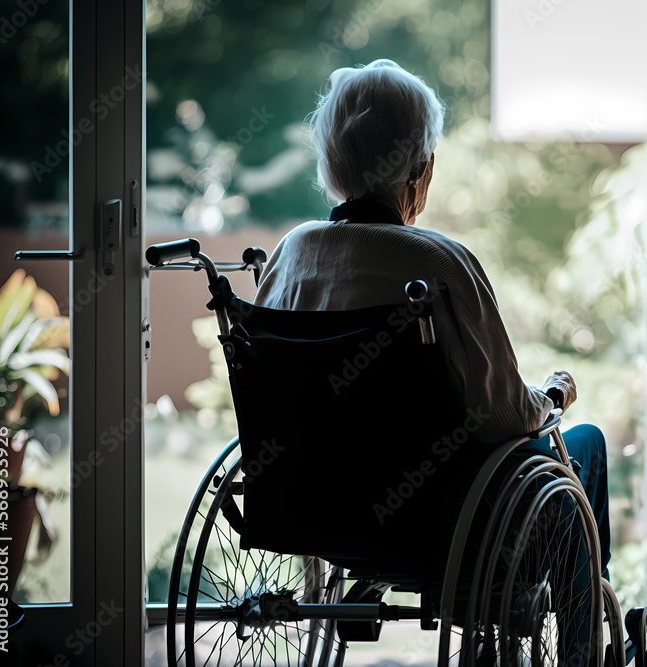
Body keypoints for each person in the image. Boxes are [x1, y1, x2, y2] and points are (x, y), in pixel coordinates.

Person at [254, 59, 610, 575]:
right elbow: (504, 415)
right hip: (439, 523)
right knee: (588, 444)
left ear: (331, 157)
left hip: (314, 509)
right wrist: (551, 397)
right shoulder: (438, 262)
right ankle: (586, 649)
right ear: (420, 168)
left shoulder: (292, 253)